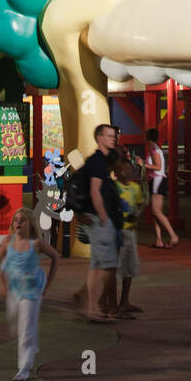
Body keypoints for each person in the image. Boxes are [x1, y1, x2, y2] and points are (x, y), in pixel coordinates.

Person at [0, 208, 59, 381]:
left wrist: (48, 283)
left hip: (31, 291)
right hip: (13, 290)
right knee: (15, 324)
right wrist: (1, 283)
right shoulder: (8, 241)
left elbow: (56, 257)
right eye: (16, 220)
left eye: (22, 220)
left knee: (25, 331)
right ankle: (30, 341)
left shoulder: (36, 243)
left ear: (30, 224)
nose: (18, 223)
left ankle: (24, 368)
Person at [82, 123, 123, 322]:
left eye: (113, 135)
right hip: (100, 220)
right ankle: (95, 307)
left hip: (99, 219)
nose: (113, 139)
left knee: (98, 265)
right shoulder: (98, 162)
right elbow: (94, 190)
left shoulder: (101, 162)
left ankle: (94, 307)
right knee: (104, 266)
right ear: (99, 138)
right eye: (109, 136)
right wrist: (104, 217)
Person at [114, 154, 145, 317]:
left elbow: (139, 204)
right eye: (122, 169)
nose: (126, 172)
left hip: (130, 232)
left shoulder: (135, 188)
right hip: (117, 232)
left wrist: (137, 215)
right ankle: (112, 303)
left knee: (129, 268)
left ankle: (124, 301)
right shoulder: (114, 187)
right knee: (114, 268)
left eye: (128, 169)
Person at [145, 127, 178, 248]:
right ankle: (159, 239)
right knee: (155, 212)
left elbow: (157, 167)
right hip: (157, 180)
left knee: (156, 211)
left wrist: (143, 164)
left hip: (157, 180)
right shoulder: (155, 148)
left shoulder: (153, 149)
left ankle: (173, 236)